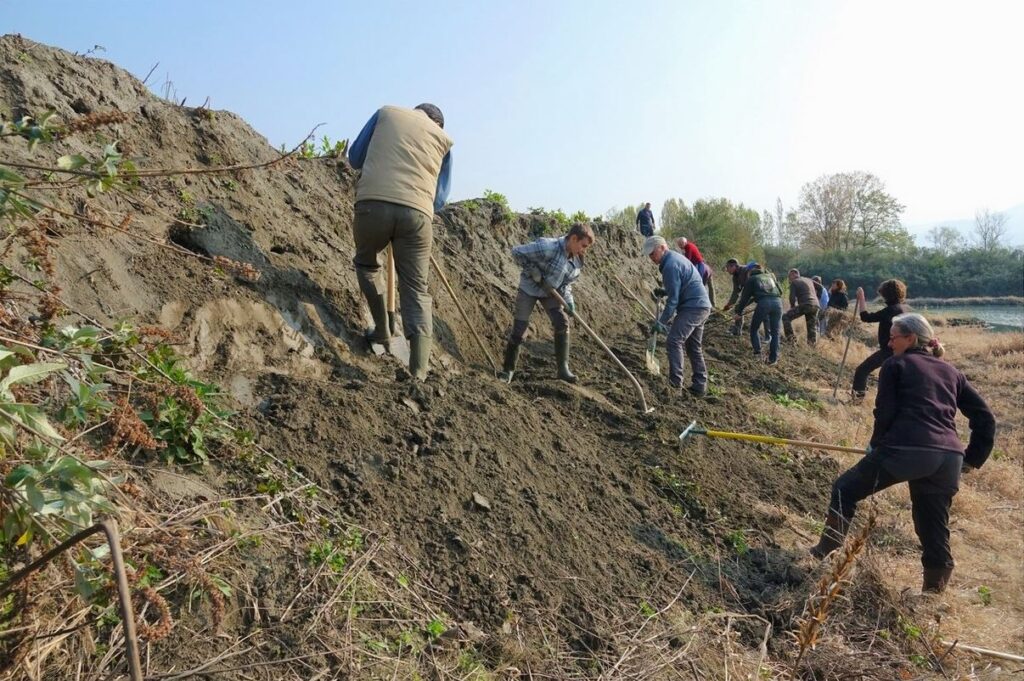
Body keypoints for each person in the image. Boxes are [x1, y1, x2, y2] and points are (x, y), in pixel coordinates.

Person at [809, 313, 995, 594]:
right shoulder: (952, 372)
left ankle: (826, 552)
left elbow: (885, 411)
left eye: (894, 336)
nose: (889, 341)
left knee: (844, 489)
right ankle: (933, 595)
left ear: (911, 338)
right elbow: (986, 418)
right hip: (948, 459)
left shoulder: (896, 364)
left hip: (906, 450)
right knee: (932, 526)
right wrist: (971, 459)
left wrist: (876, 444)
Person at [347, 103, 454, 380]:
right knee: (416, 290)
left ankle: (382, 329)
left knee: (367, 265)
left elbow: (355, 158)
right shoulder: (443, 140)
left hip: (372, 204)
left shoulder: (386, 113)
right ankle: (418, 372)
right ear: (437, 124)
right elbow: (440, 200)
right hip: (417, 216)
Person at [498, 223, 595, 384]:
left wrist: (569, 301)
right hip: (529, 288)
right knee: (520, 329)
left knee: (562, 322)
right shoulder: (547, 247)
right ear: (573, 238)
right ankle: (508, 370)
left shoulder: (577, 261)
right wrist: (534, 272)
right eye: (583, 245)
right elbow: (516, 252)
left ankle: (563, 369)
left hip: (550, 291)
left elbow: (566, 284)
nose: (584, 250)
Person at [644, 236, 712, 395]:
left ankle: (675, 386)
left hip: (692, 307)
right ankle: (699, 386)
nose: (651, 258)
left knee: (674, 341)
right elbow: (681, 285)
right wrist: (665, 291)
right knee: (693, 347)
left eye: (652, 253)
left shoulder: (670, 266)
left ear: (662, 248)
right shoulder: (675, 259)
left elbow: (673, 302)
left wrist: (661, 322)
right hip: (702, 306)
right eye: (649, 255)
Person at [851, 279, 908, 402]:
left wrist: (861, 298)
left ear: (887, 294)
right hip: (901, 349)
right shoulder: (902, 309)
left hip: (889, 350)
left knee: (862, 370)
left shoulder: (890, 310)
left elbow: (866, 317)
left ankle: (857, 401)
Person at [732, 263, 783, 365]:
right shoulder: (769, 277)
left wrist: (738, 312)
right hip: (778, 304)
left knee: (754, 329)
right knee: (775, 333)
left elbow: (744, 299)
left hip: (764, 304)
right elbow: (780, 291)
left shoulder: (751, 279)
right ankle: (773, 359)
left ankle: (757, 354)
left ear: (750, 272)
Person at [722, 258, 768, 339]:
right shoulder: (735, 277)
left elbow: (749, 288)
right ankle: (737, 330)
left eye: (728, 267)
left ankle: (767, 335)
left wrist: (741, 303)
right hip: (751, 293)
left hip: (760, 292)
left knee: (741, 307)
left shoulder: (745, 270)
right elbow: (735, 292)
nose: (727, 270)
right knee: (738, 307)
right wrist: (729, 305)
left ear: (734, 266)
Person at [675, 237, 716, 307]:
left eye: (680, 244)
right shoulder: (688, 246)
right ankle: (712, 304)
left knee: (699, 285)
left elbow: (687, 261)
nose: (679, 246)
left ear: (684, 243)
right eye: (679, 245)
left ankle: (703, 304)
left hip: (700, 266)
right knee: (709, 287)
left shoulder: (688, 247)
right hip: (702, 266)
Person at [782, 269, 819, 345]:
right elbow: (821, 287)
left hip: (806, 304)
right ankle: (812, 346)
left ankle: (791, 340)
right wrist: (817, 297)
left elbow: (792, 297)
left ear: (793, 274)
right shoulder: (808, 279)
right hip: (816, 305)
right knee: (811, 326)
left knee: (785, 317)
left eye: (789, 276)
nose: (789, 279)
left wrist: (792, 307)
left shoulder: (794, 282)